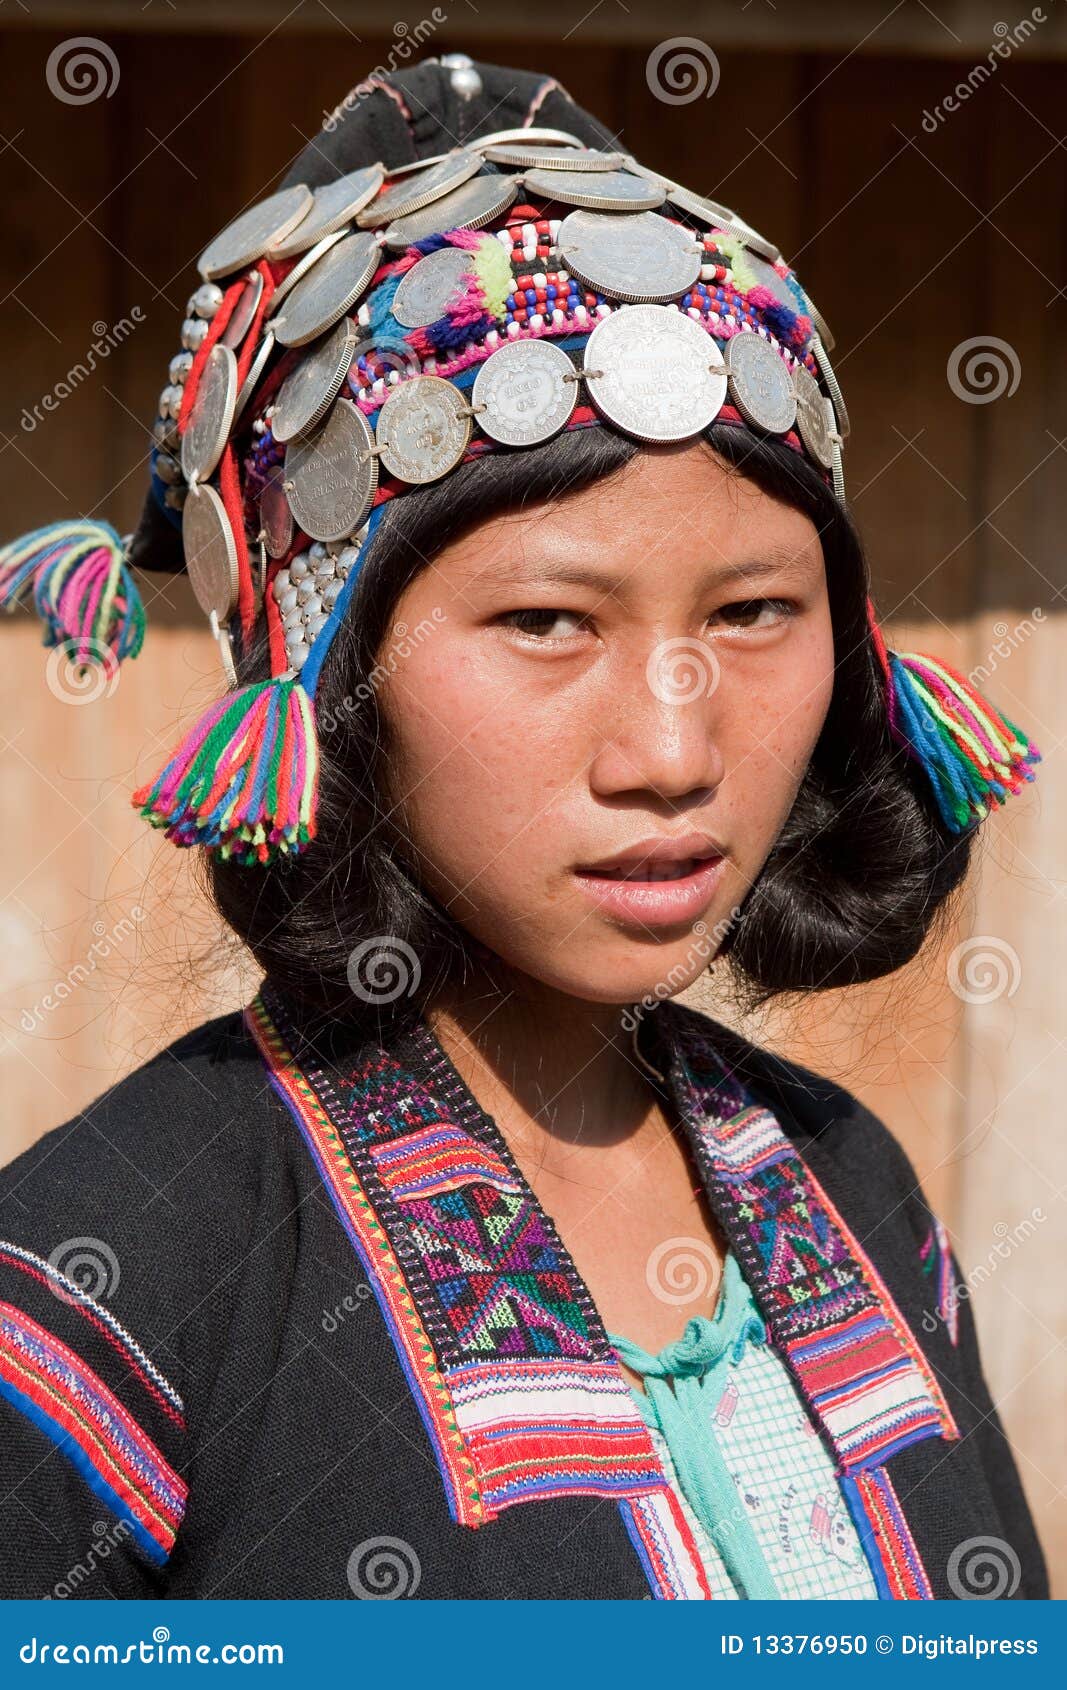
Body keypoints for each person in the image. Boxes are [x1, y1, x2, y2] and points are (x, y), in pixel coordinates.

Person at [0, 53, 1047, 1602]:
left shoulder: (849, 1186)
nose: (675, 748)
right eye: (551, 620)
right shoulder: (106, 1284)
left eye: (757, 609)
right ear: (328, 682)